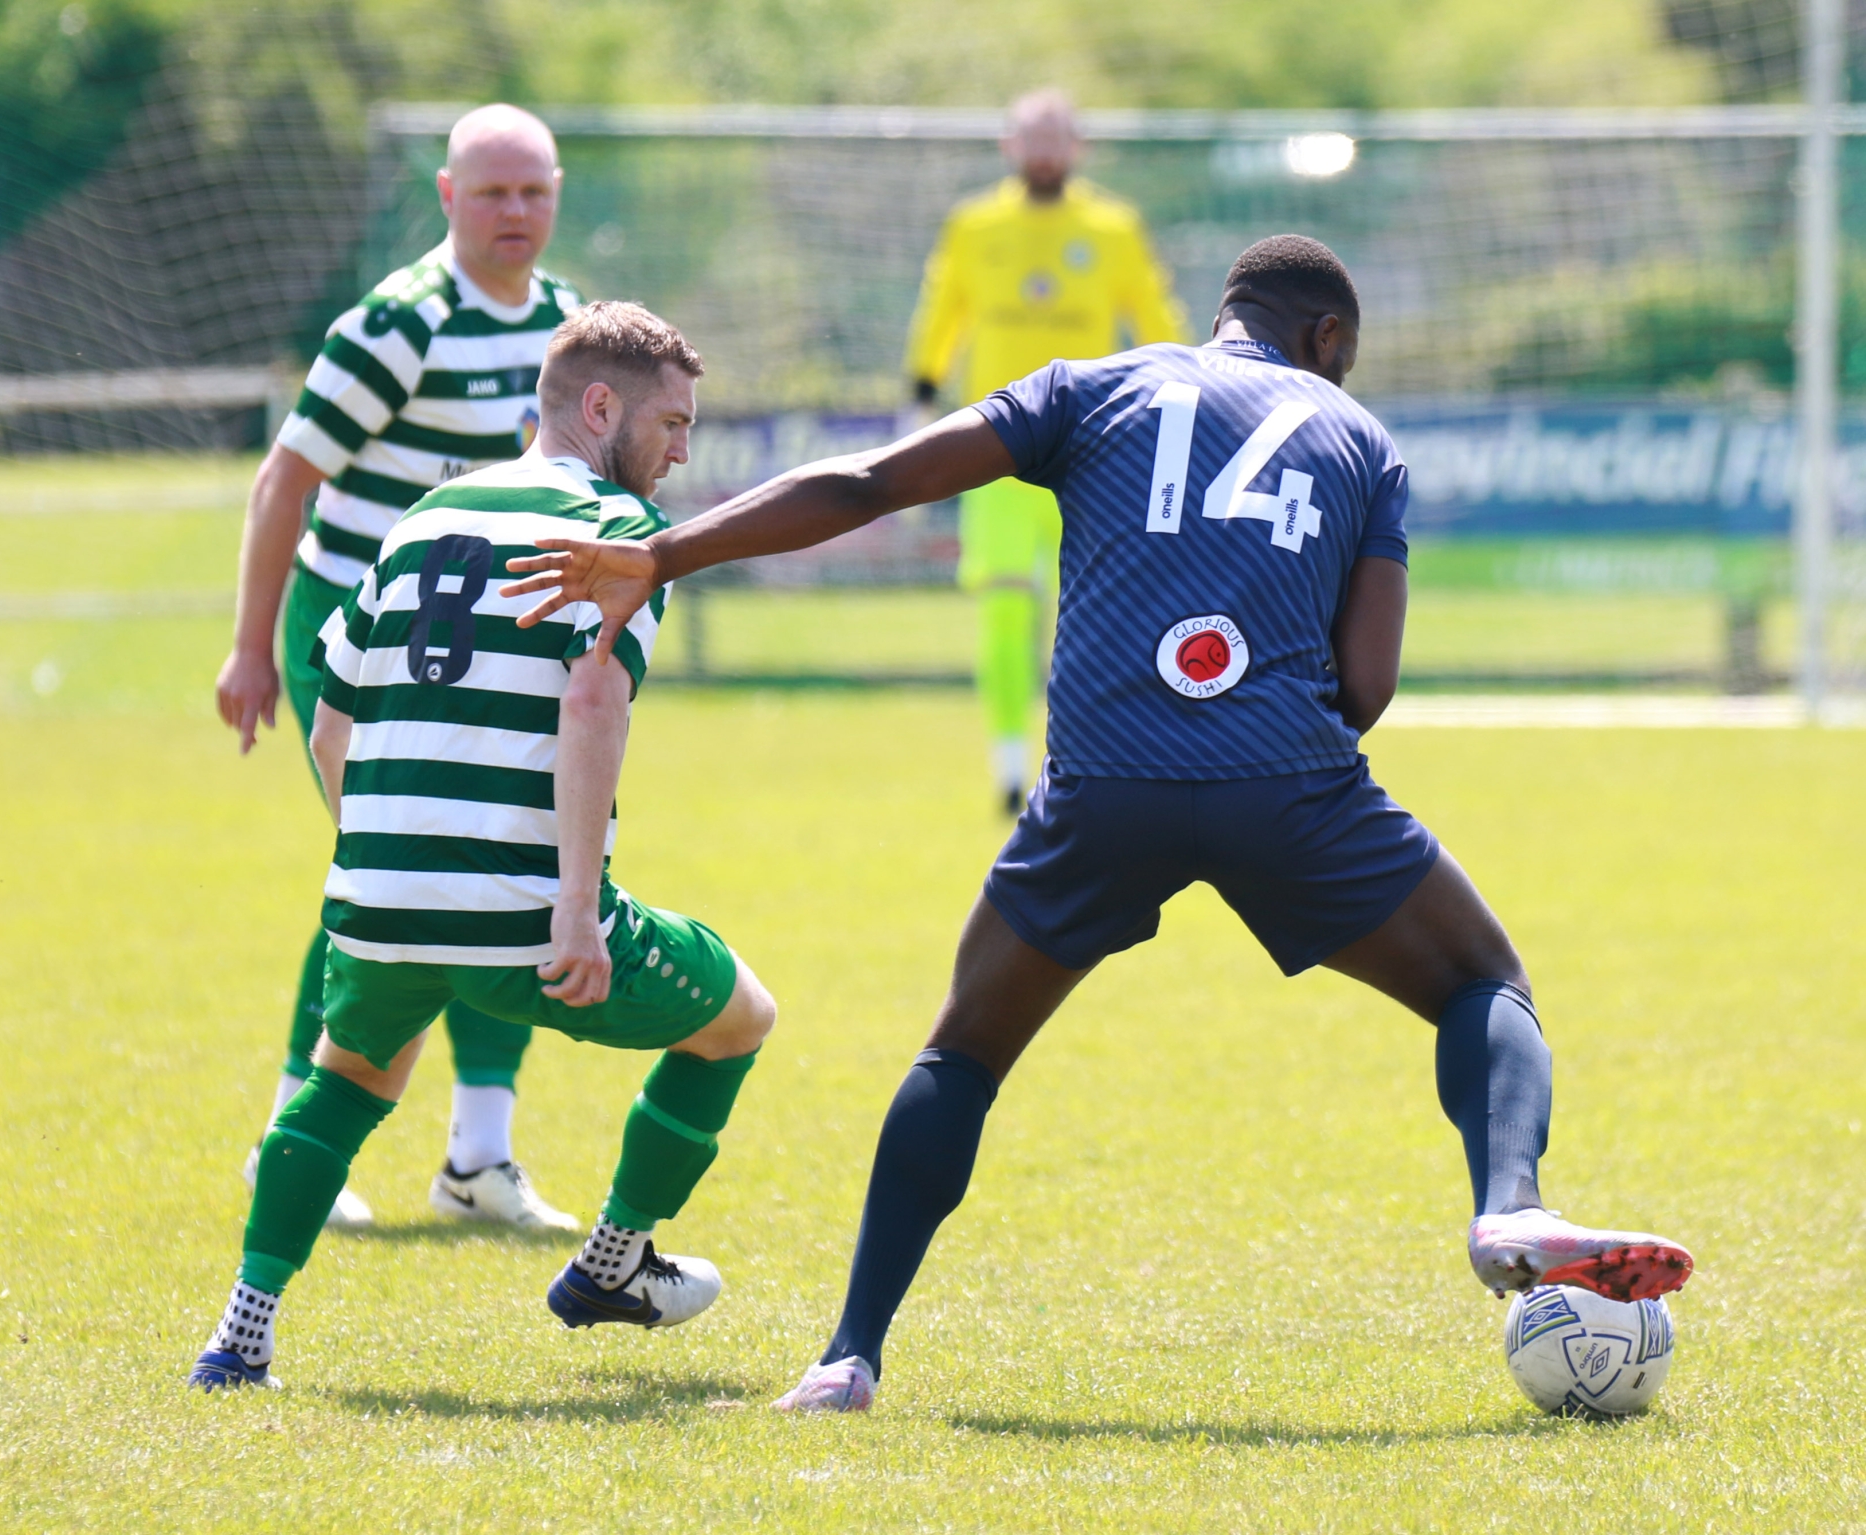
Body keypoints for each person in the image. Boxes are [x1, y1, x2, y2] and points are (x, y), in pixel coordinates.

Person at [499, 236, 1696, 1415]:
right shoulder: (1360, 439)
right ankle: (1511, 1200)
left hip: (1102, 784)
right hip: (1286, 780)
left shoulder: (1091, 387)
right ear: (1327, 342)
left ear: (1222, 312)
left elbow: (868, 484)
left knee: (962, 1051)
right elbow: (1367, 686)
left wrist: (663, 553)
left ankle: (848, 1357)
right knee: (1483, 980)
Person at [188, 301, 777, 1390]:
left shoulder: (420, 518)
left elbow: (330, 712)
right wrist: (572, 911)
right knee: (741, 1018)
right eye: (674, 420)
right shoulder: (616, 533)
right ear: (601, 407)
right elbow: (593, 704)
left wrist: (380, 853)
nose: (685, 446)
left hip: (374, 899)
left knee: (345, 1079)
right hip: (526, 918)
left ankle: (240, 1337)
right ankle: (613, 1262)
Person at [214, 104, 584, 1228]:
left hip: (501, 644)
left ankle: (479, 1159)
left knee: (509, 869)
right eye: (492, 192)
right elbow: (286, 479)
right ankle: (295, 1131)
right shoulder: (398, 324)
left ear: (557, 192)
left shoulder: (571, 331)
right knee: (397, 877)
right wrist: (251, 644)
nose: (515, 212)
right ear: (446, 195)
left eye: (533, 190)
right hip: (363, 634)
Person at [905, 88, 1184, 813]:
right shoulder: (974, 225)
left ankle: (1091, 758)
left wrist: (1190, 387)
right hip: (992, 447)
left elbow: (1152, 314)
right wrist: (922, 389)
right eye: (1033, 137)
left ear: (1079, 148)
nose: (1045, 150)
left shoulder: (1113, 228)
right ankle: (1006, 767)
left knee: (1095, 611)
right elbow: (943, 309)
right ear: (1009, 146)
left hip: (1092, 450)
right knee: (1004, 606)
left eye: (1058, 137)